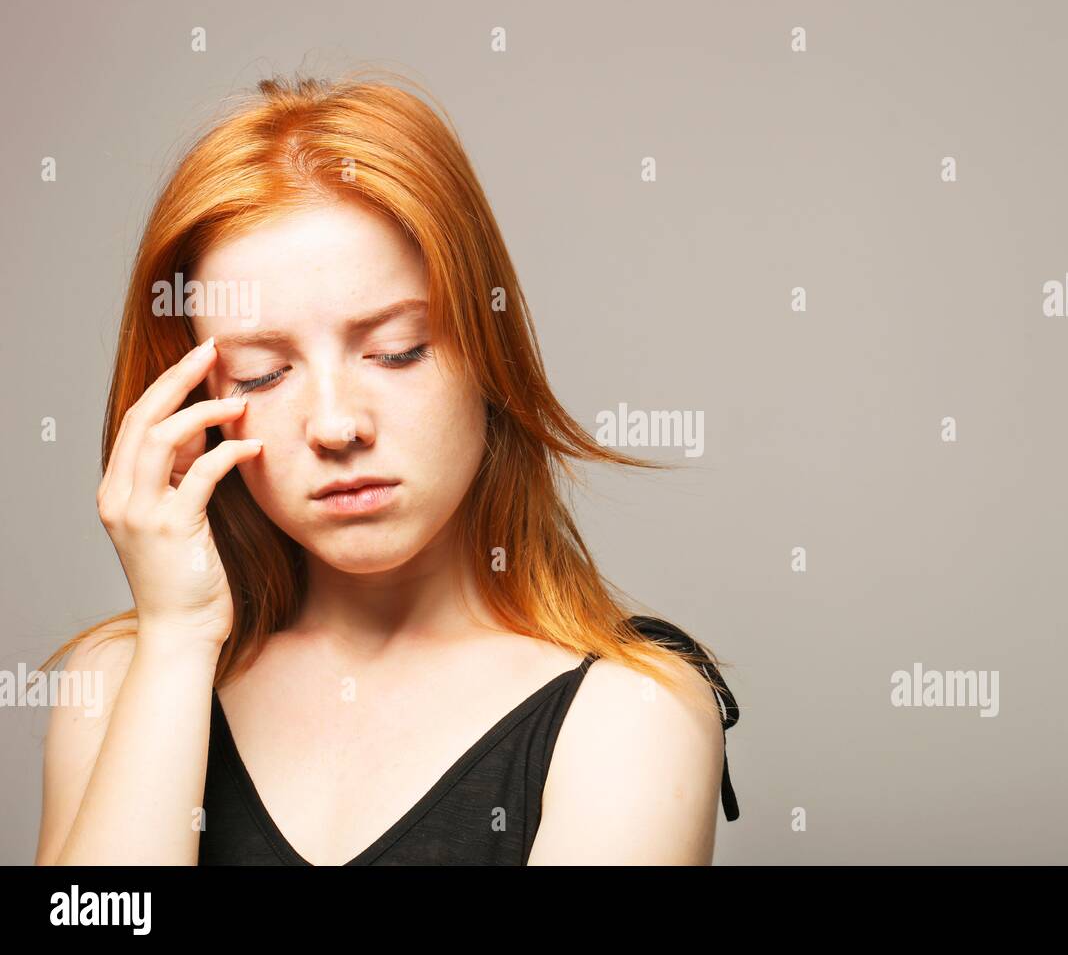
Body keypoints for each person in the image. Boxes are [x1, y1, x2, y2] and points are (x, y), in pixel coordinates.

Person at [33, 70, 739, 866]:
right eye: (263, 373)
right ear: (194, 402)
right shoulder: (121, 681)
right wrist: (176, 641)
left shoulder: (634, 710)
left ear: (487, 348)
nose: (337, 425)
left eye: (397, 351)